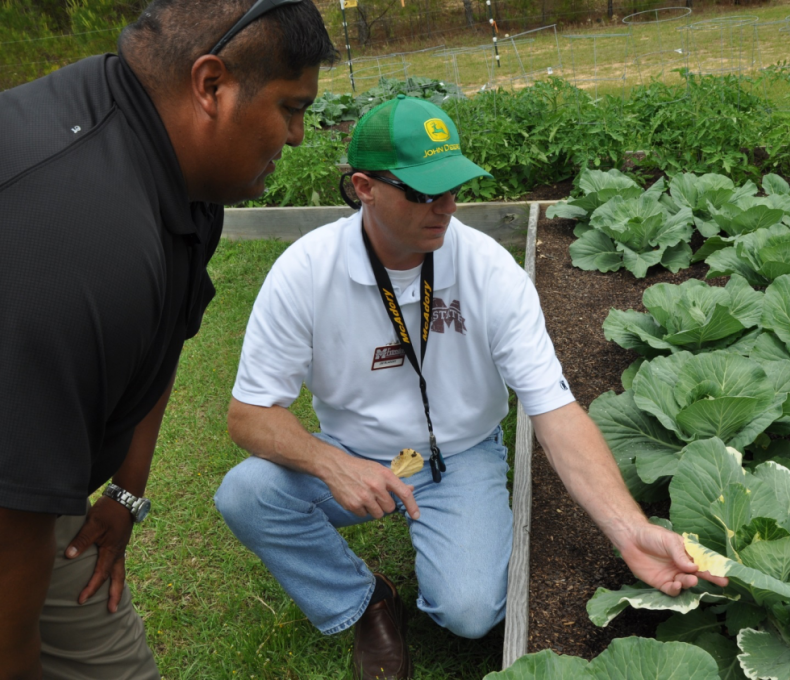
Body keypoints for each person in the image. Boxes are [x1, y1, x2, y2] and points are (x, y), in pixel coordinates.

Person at [214, 95, 728, 680]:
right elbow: (249, 414)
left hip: (457, 455)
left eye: (453, 188)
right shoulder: (305, 271)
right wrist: (332, 464)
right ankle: (365, 602)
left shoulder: (488, 270)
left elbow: (555, 410)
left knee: (470, 612)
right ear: (364, 187)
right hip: (352, 451)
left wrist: (630, 528)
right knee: (247, 495)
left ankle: (444, 534)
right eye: (422, 192)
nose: (444, 208)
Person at [0, 1, 336, 677]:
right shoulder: (80, 243)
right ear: (210, 85)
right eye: (290, 108)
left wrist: (125, 494)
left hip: (36, 487)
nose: (299, 136)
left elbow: (165, 338)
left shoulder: (185, 172)